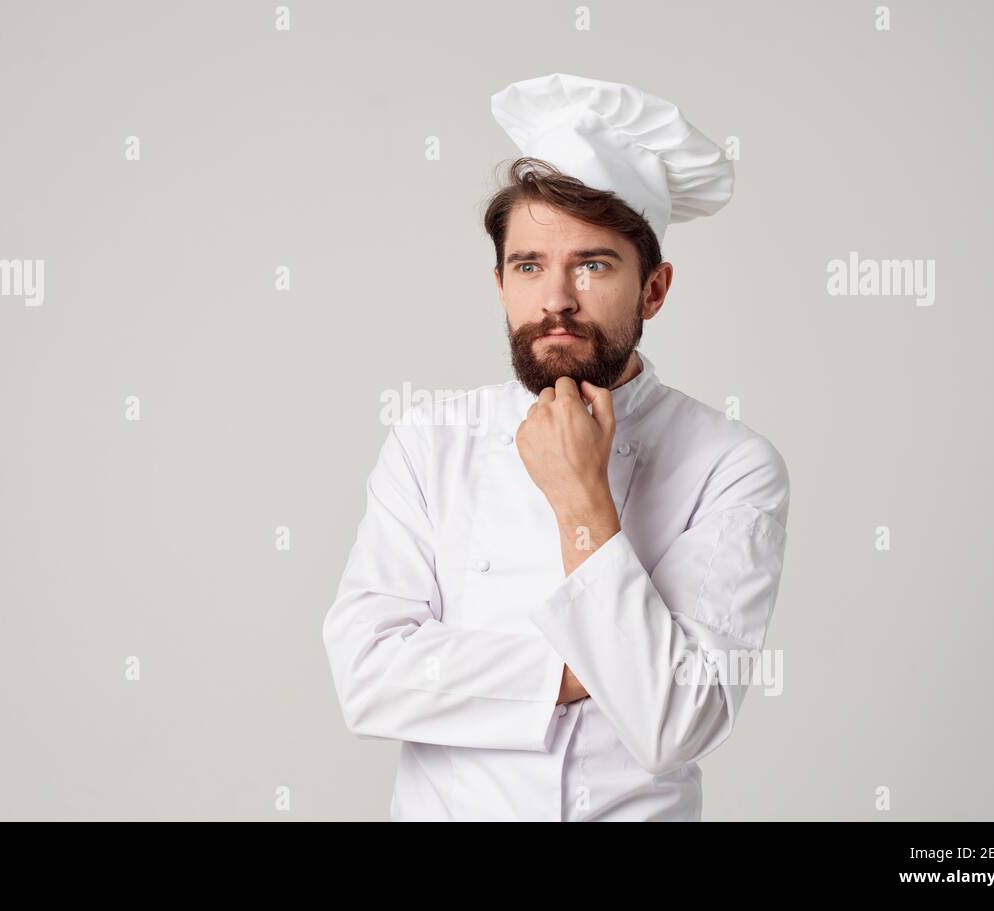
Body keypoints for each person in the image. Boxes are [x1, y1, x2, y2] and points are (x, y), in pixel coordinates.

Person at [322, 73, 791, 821]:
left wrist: (581, 495)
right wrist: (582, 669)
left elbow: (675, 724)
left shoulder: (732, 465)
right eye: (529, 264)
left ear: (655, 290)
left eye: (593, 265)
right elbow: (367, 677)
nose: (556, 300)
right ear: (501, 281)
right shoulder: (427, 442)